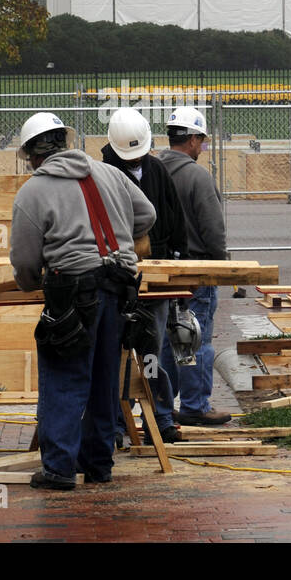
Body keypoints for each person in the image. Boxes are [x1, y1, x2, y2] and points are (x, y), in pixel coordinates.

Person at [10, 111, 155, 489]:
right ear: (65, 142)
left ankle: (58, 469)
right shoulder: (108, 173)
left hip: (72, 293)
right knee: (105, 379)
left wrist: (29, 283)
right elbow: (147, 214)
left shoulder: (34, 191)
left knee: (64, 377)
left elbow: (25, 261)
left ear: (32, 154)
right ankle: (98, 466)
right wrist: (121, 230)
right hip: (119, 288)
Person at [101, 107, 188, 444]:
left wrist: (177, 262)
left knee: (153, 352)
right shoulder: (103, 173)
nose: (136, 163)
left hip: (156, 277)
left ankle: (160, 417)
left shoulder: (157, 170)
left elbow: (175, 217)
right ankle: (117, 424)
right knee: (118, 354)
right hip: (117, 278)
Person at [157, 105, 231, 426]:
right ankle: (195, 405)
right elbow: (213, 230)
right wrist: (221, 266)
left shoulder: (152, 170)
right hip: (197, 271)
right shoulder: (197, 175)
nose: (202, 146)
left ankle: (162, 407)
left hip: (162, 272)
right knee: (195, 339)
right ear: (191, 140)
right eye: (201, 140)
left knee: (168, 340)